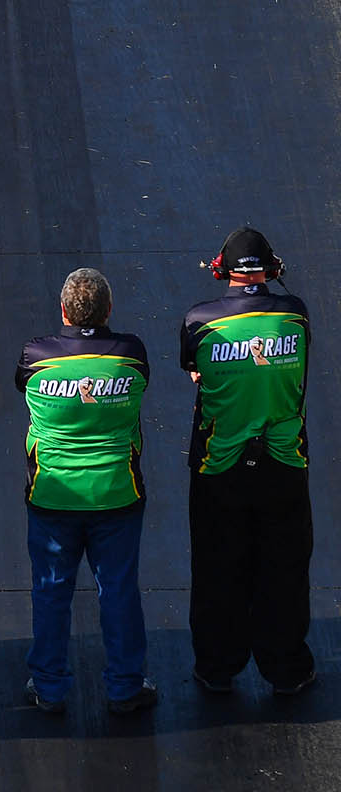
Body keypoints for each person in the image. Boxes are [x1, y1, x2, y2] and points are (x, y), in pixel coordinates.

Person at [15, 267, 156, 715]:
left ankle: (50, 687)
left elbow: (22, 383)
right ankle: (125, 686)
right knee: (118, 590)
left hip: (52, 496)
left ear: (63, 310)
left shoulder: (36, 356)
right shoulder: (131, 354)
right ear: (109, 309)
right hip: (117, 494)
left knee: (51, 590)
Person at [182, 226, 314, 695]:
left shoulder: (199, 320)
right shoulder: (295, 314)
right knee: (286, 569)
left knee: (217, 568)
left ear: (221, 270)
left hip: (220, 468)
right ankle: (287, 670)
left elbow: (193, 367)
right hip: (284, 466)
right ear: (272, 270)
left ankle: (217, 669)